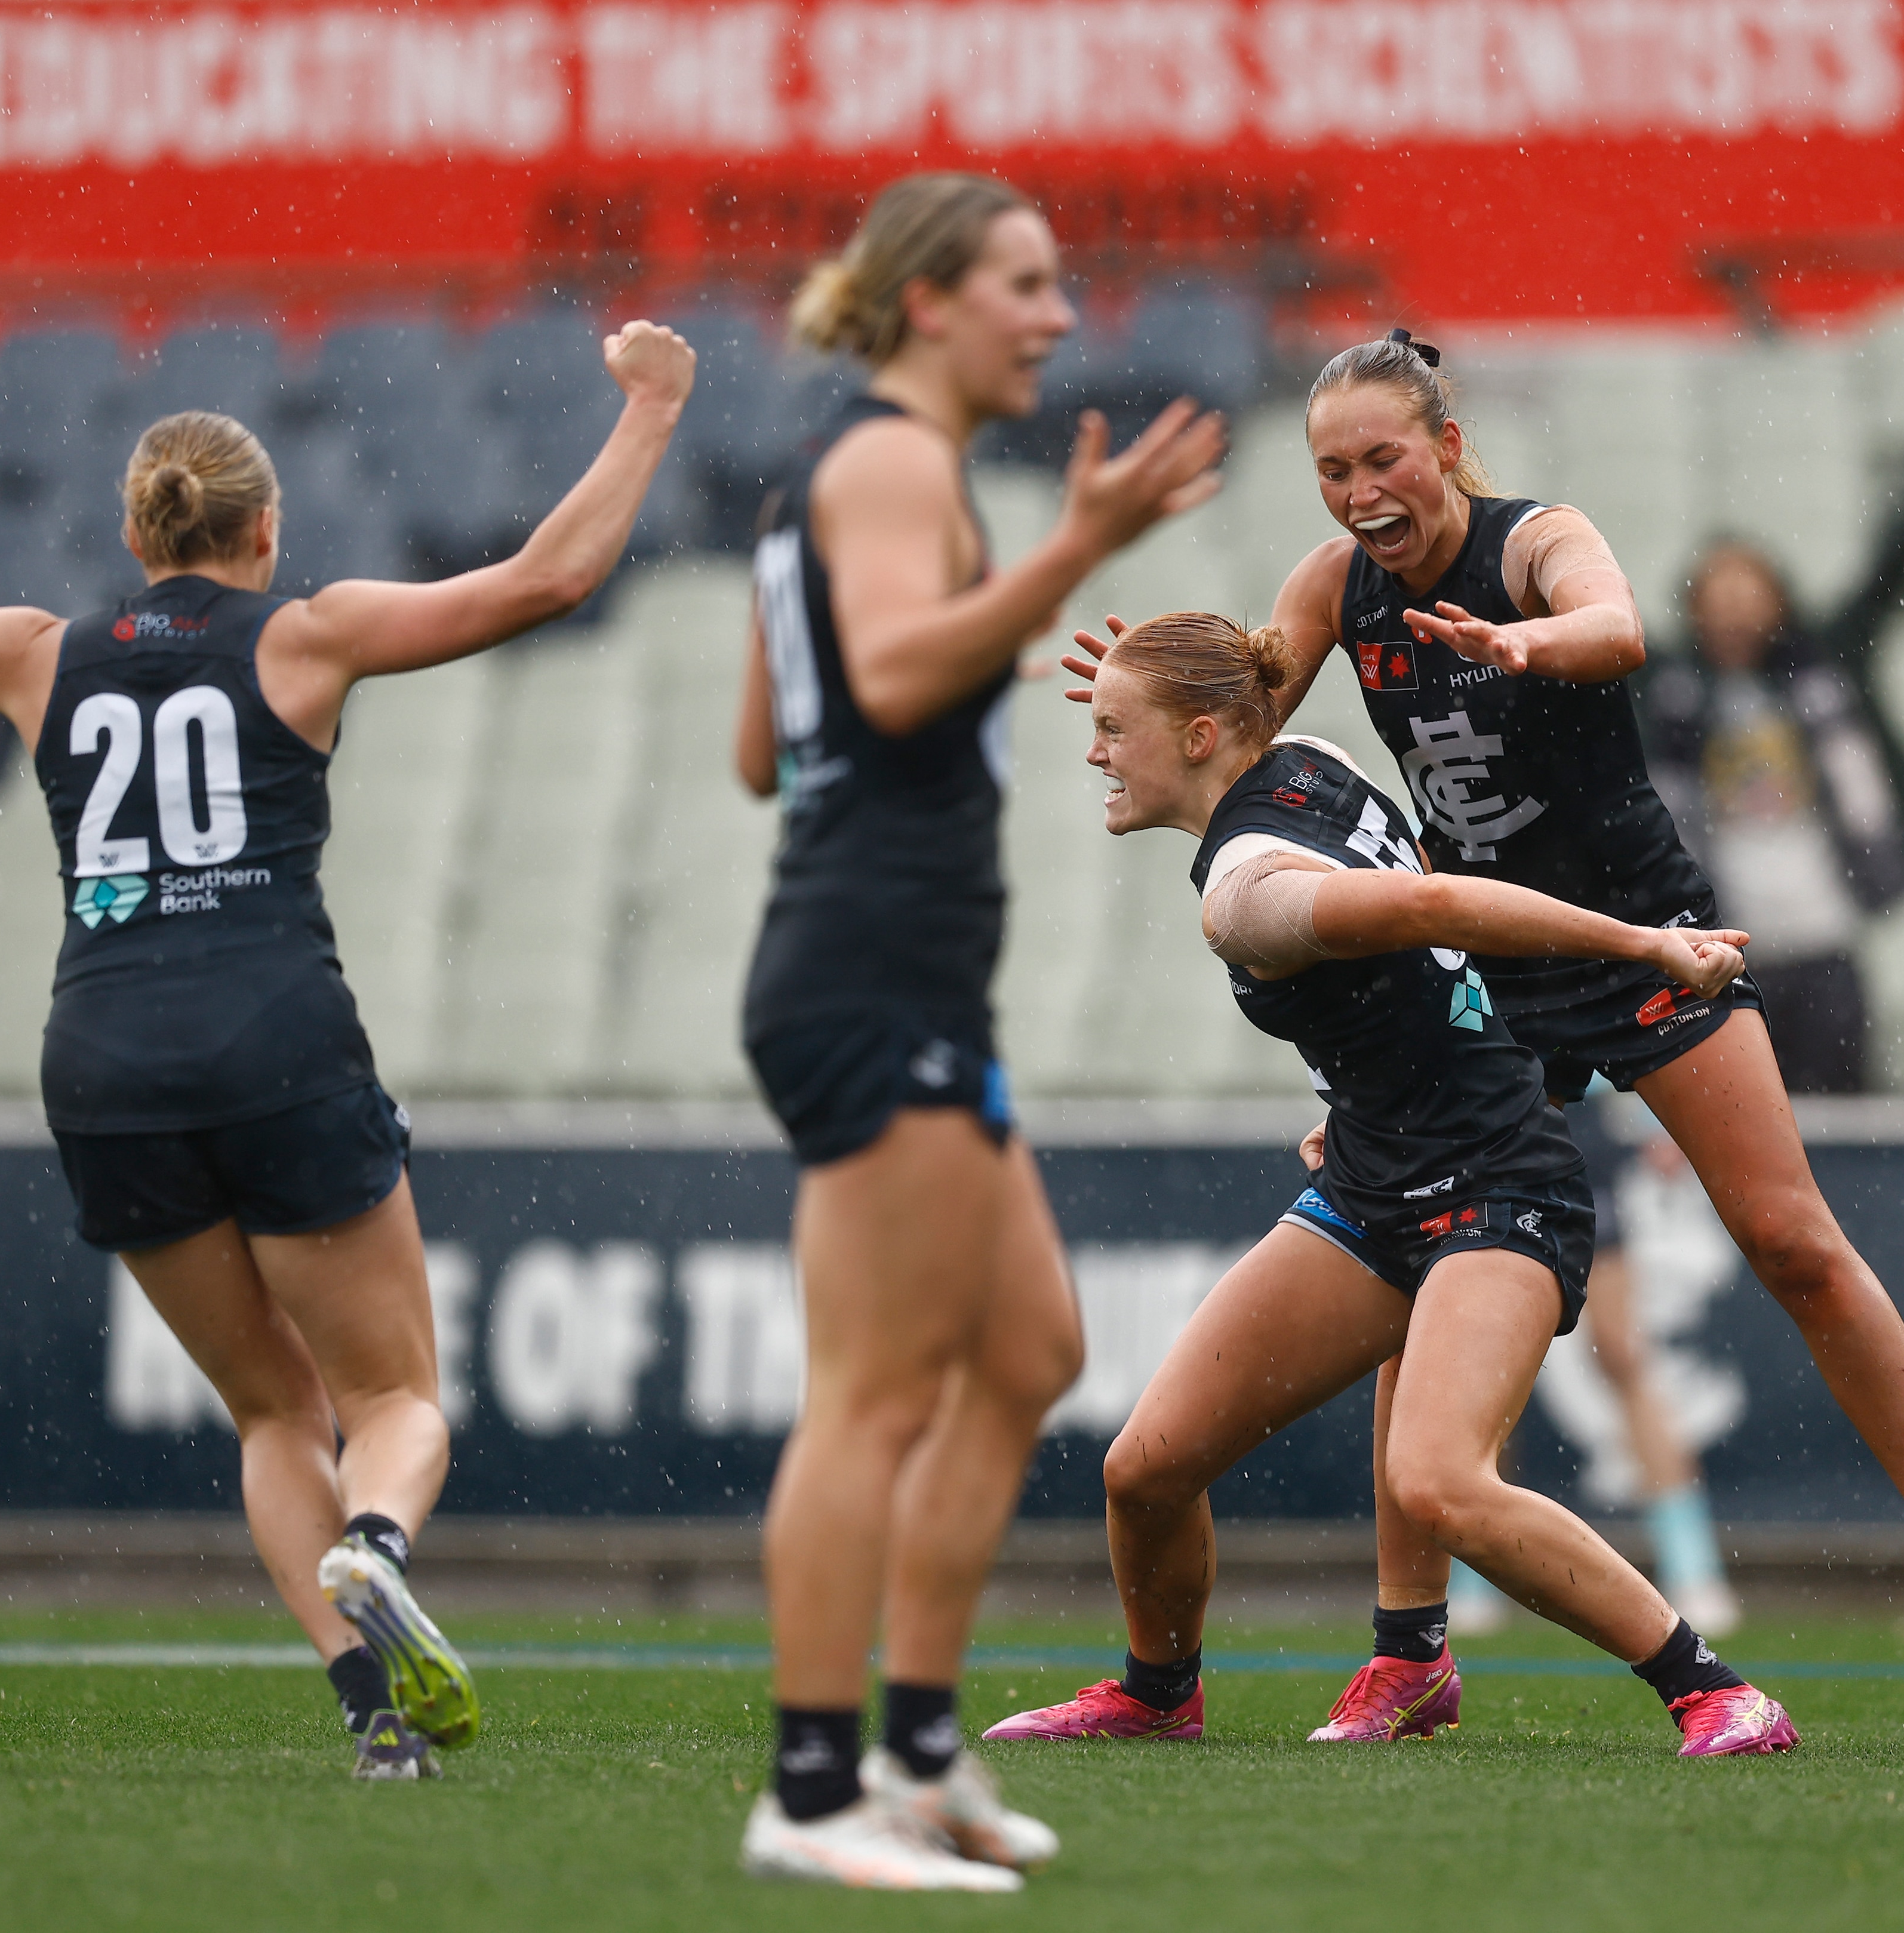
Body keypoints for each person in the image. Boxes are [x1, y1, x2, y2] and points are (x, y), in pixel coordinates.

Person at [0, 316, 699, 1777]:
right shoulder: (306, 634)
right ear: (264, 529)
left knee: (269, 1405)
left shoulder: (42, 655)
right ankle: (376, 1540)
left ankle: (370, 1712)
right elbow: (548, 575)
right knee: (394, 1401)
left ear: (132, 530)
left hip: (101, 1059)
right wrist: (652, 410)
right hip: (271, 1032)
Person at [1066, 331, 1904, 1743]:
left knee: (1789, 1238)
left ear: (1447, 448)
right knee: (1423, 1232)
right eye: (1331, 468)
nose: (1357, 492)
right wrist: (1160, 701)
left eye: (1382, 459)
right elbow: (1247, 728)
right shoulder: (1331, 586)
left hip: (1636, 931)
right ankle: (1413, 1647)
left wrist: (1525, 643)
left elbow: (1619, 626)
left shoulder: (1531, 548)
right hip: (1495, 961)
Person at [984, 612, 1797, 1760]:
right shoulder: (1315, 760)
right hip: (1375, 1180)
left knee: (1440, 1479)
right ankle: (1165, 1690)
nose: (1095, 750)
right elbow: (1412, 954)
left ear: (1205, 732)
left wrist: (1645, 945)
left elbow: (1429, 909)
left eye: (1116, 726)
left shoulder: (1244, 892)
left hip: (1501, 1179)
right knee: (1146, 1469)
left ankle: (1714, 1688)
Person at [730, 172, 1225, 1891]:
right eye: (1025, 282)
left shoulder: (833, 480)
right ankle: (808, 1791)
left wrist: (987, 648)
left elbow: (771, 739)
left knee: (1023, 1351)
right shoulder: (886, 465)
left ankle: (923, 1756)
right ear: (930, 302)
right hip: (870, 966)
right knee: (871, 1396)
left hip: (893, 966)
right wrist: (1073, 556)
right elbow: (875, 682)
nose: (1058, 313)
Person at [1641, 362, 1904, 1093]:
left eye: (1748, 591)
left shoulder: (1824, 666)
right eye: (1717, 594)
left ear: (1777, 600)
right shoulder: (1666, 692)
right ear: (1693, 609)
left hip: (1827, 942)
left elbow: (1892, 564)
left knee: (1843, 1121)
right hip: (1727, 948)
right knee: (1750, 1124)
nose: (1733, 610)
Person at [1568, 1093, 1741, 1637]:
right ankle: (1462, 1580)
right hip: (1491, 1127)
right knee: (1480, 1363)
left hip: (1578, 1136)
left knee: (1622, 1352)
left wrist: (1659, 1116)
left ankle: (1692, 1567)